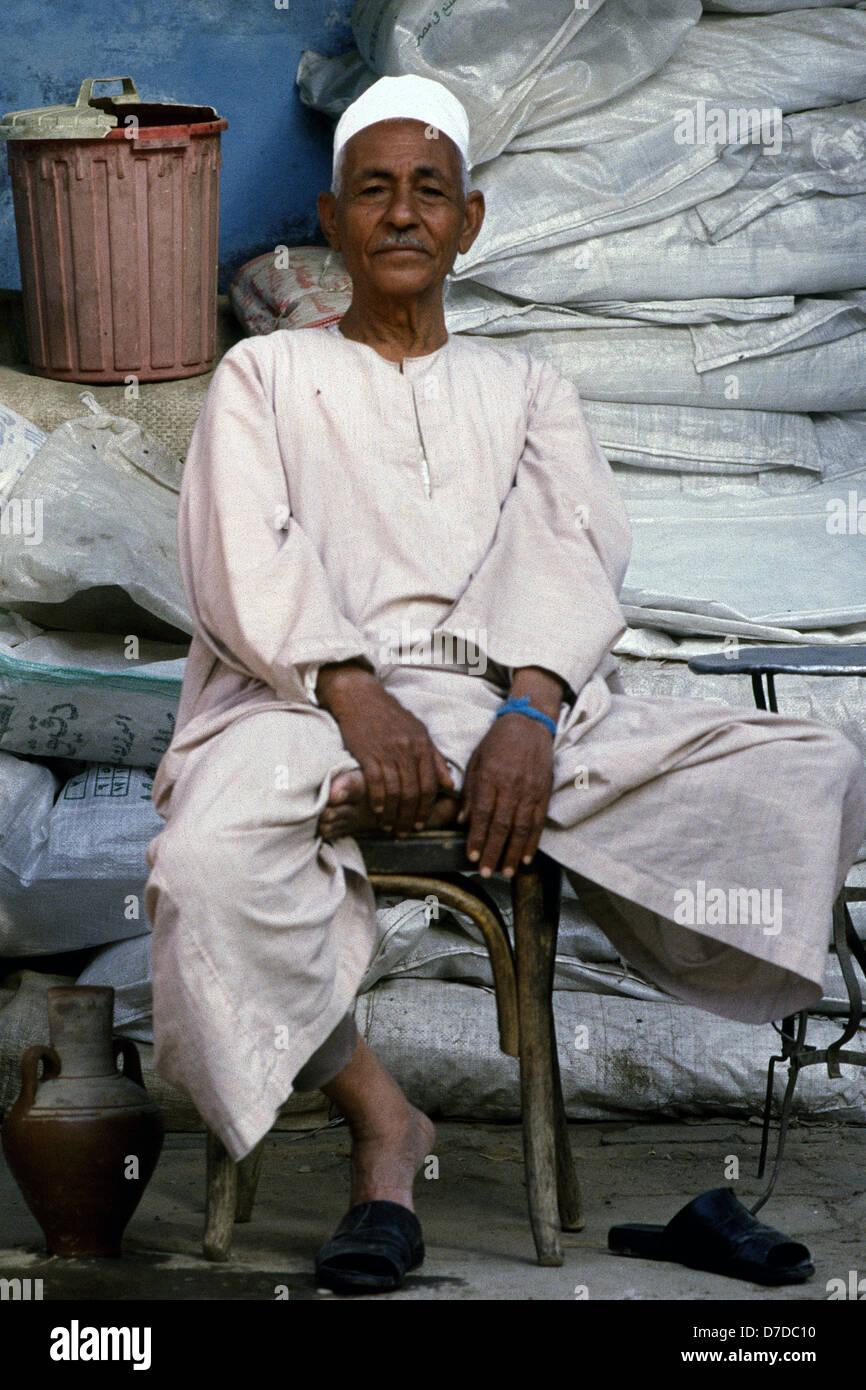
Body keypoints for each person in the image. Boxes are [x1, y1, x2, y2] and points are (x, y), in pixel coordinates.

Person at [144, 75, 866, 1294]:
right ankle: (386, 1127)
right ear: (331, 219)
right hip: (301, 701)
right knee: (204, 862)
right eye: (373, 191)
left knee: (807, 764)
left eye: (430, 191)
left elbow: (569, 551)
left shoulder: (526, 387)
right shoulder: (263, 378)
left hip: (497, 713)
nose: (403, 214)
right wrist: (356, 699)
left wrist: (528, 715)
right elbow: (242, 560)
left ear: (469, 222)